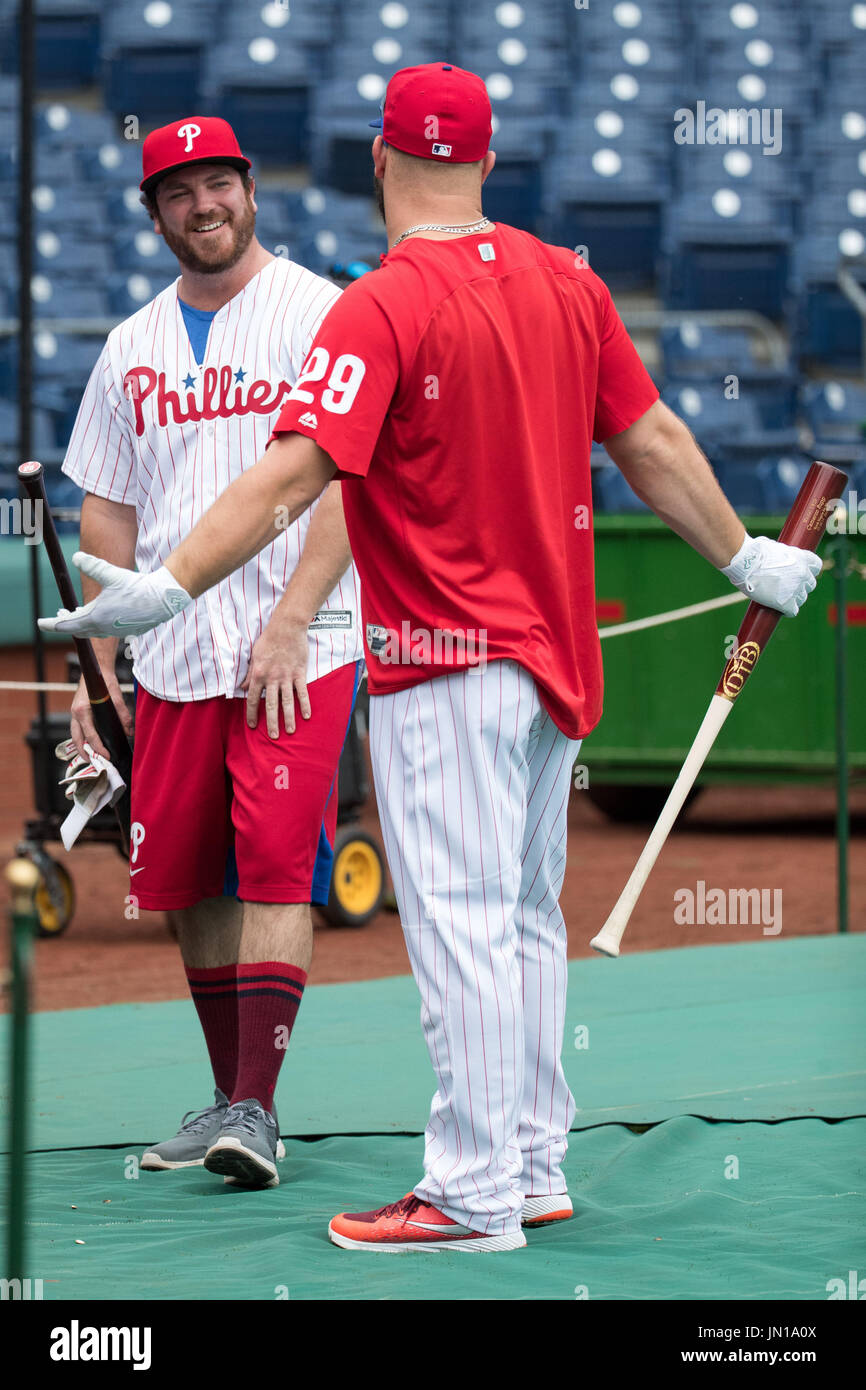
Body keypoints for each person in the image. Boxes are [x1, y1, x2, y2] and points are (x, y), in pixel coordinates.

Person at [43, 67, 821, 1247]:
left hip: (444, 657)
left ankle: (466, 1192)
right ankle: (531, 1162)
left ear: (378, 160)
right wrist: (742, 557)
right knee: (521, 920)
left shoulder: (382, 300)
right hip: (554, 663)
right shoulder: (570, 280)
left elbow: (294, 472)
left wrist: (170, 582)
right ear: (488, 163)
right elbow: (653, 437)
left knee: (459, 922)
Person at [60, 116, 363, 1190]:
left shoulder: (318, 310)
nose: (204, 206)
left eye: (218, 183)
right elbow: (106, 516)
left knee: (277, 859)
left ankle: (259, 1108)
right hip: (176, 655)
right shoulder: (130, 346)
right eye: (178, 192)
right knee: (184, 876)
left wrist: (293, 620)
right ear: (154, 215)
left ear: (249, 187)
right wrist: (103, 673)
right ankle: (231, 1096)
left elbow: (344, 477)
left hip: (302, 642)